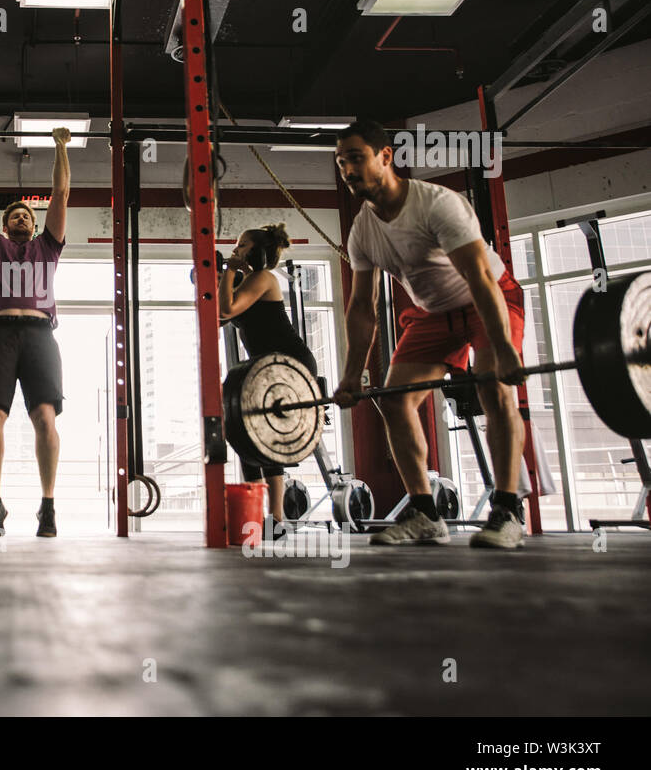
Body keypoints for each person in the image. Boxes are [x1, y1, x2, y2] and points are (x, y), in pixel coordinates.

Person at [332, 118, 527, 549]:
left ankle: (508, 509)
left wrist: (501, 349)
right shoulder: (362, 230)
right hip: (433, 314)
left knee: (494, 386)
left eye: (357, 158)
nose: (348, 169)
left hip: (487, 298)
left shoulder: (438, 204)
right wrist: (351, 376)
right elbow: (362, 309)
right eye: (341, 162)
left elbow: (479, 278)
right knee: (394, 401)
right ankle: (425, 514)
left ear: (386, 157)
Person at [183, 158, 315, 534]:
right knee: (243, 431)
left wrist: (227, 270)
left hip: (288, 364)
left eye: (242, 245)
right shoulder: (245, 280)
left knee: (265, 434)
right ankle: (257, 515)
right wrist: (218, 273)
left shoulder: (264, 278)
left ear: (256, 254)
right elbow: (218, 315)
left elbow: (227, 307)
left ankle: (278, 518)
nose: (236, 249)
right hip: (261, 365)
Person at [0, 124, 69, 538]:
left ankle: (47, 507)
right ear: (6, 224)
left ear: (35, 223)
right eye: (15, 215)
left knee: (45, 417)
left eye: (28, 214)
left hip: (40, 335)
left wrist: (61, 146)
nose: (22, 218)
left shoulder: (48, 246)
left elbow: (61, 194)